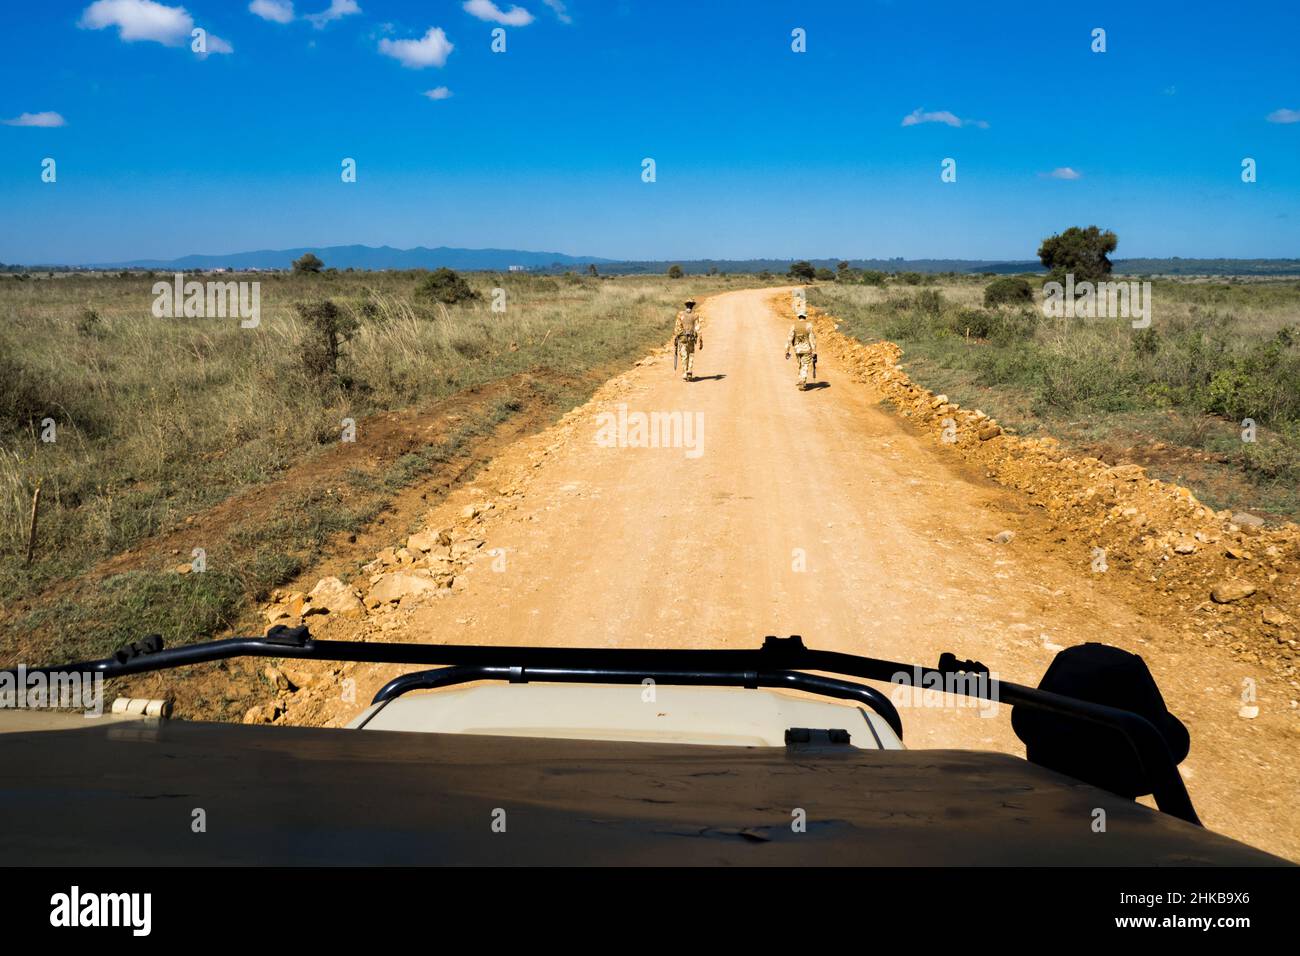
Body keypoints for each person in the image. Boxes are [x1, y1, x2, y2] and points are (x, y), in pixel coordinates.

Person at [785, 309, 817, 390]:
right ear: (805, 316)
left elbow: (789, 339)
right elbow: (812, 339)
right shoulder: (809, 325)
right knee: (805, 365)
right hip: (806, 349)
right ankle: (802, 379)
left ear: (798, 316)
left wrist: (787, 350)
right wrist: (814, 350)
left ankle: (801, 379)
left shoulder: (794, 326)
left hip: (797, 349)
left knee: (800, 364)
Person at [673, 299, 702, 381]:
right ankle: (689, 370)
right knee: (691, 354)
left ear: (686, 305)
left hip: (682, 338)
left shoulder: (680, 314)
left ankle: (685, 372)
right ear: (693, 306)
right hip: (691, 338)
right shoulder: (695, 315)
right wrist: (700, 340)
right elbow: (697, 327)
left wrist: (676, 337)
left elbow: (677, 327)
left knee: (684, 355)